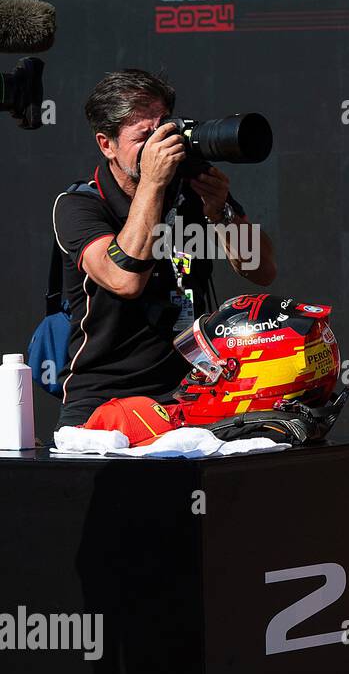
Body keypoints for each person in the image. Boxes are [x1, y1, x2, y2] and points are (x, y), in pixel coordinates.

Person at [52, 69, 276, 428]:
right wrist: (153, 183)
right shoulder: (80, 205)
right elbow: (124, 279)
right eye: (145, 136)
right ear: (106, 144)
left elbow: (262, 270)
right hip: (105, 403)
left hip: (191, 395)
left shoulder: (189, 189)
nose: (162, 146)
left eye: (165, 129)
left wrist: (221, 212)